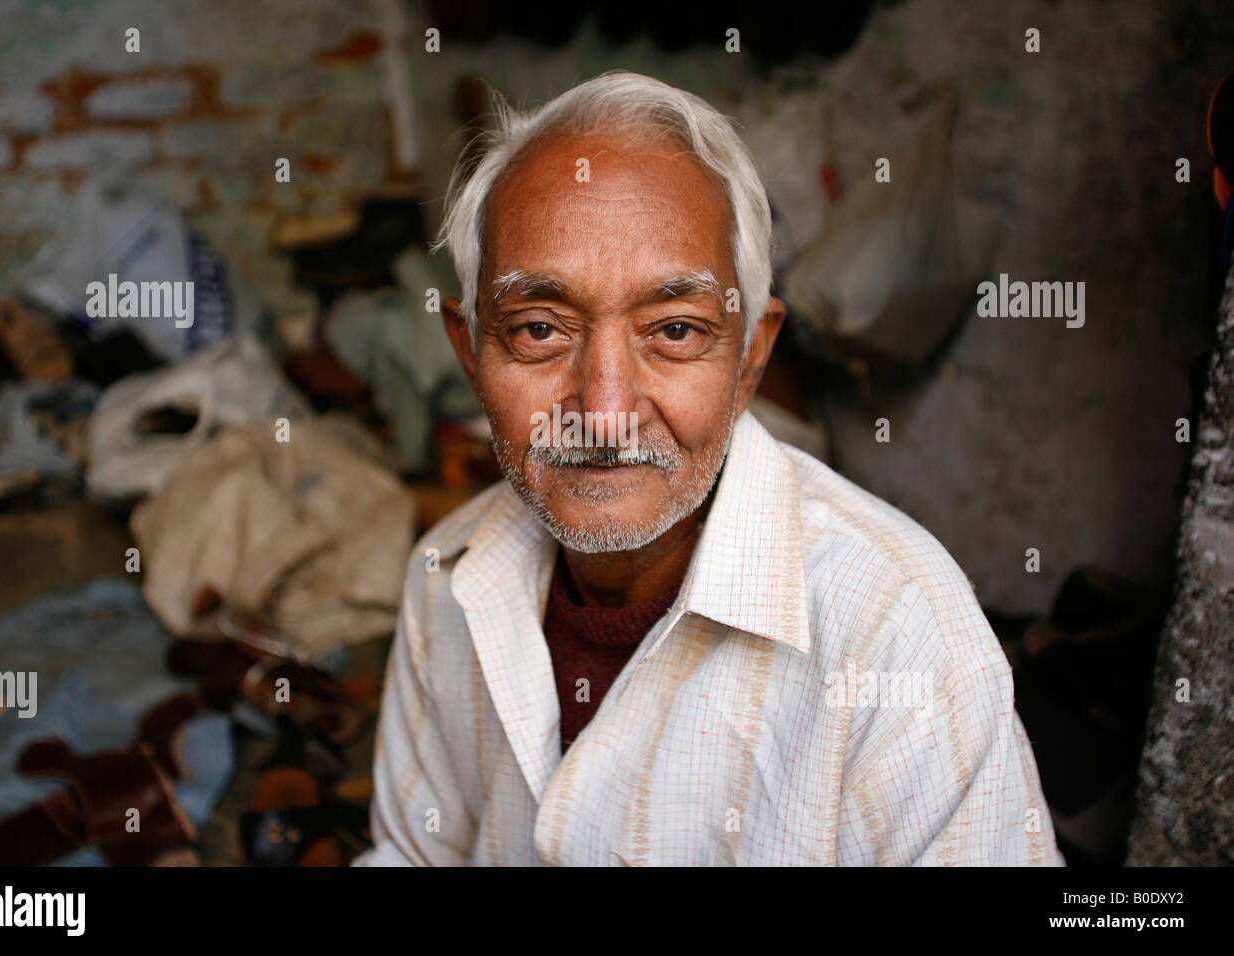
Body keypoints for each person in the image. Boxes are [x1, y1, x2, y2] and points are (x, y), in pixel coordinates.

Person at [354, 70, 1062, 866]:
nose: (606, 409)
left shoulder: (898, 632)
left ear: (751, 359)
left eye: (677, 331)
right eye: (541, 329)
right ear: (470, 351)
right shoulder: (446, 574)